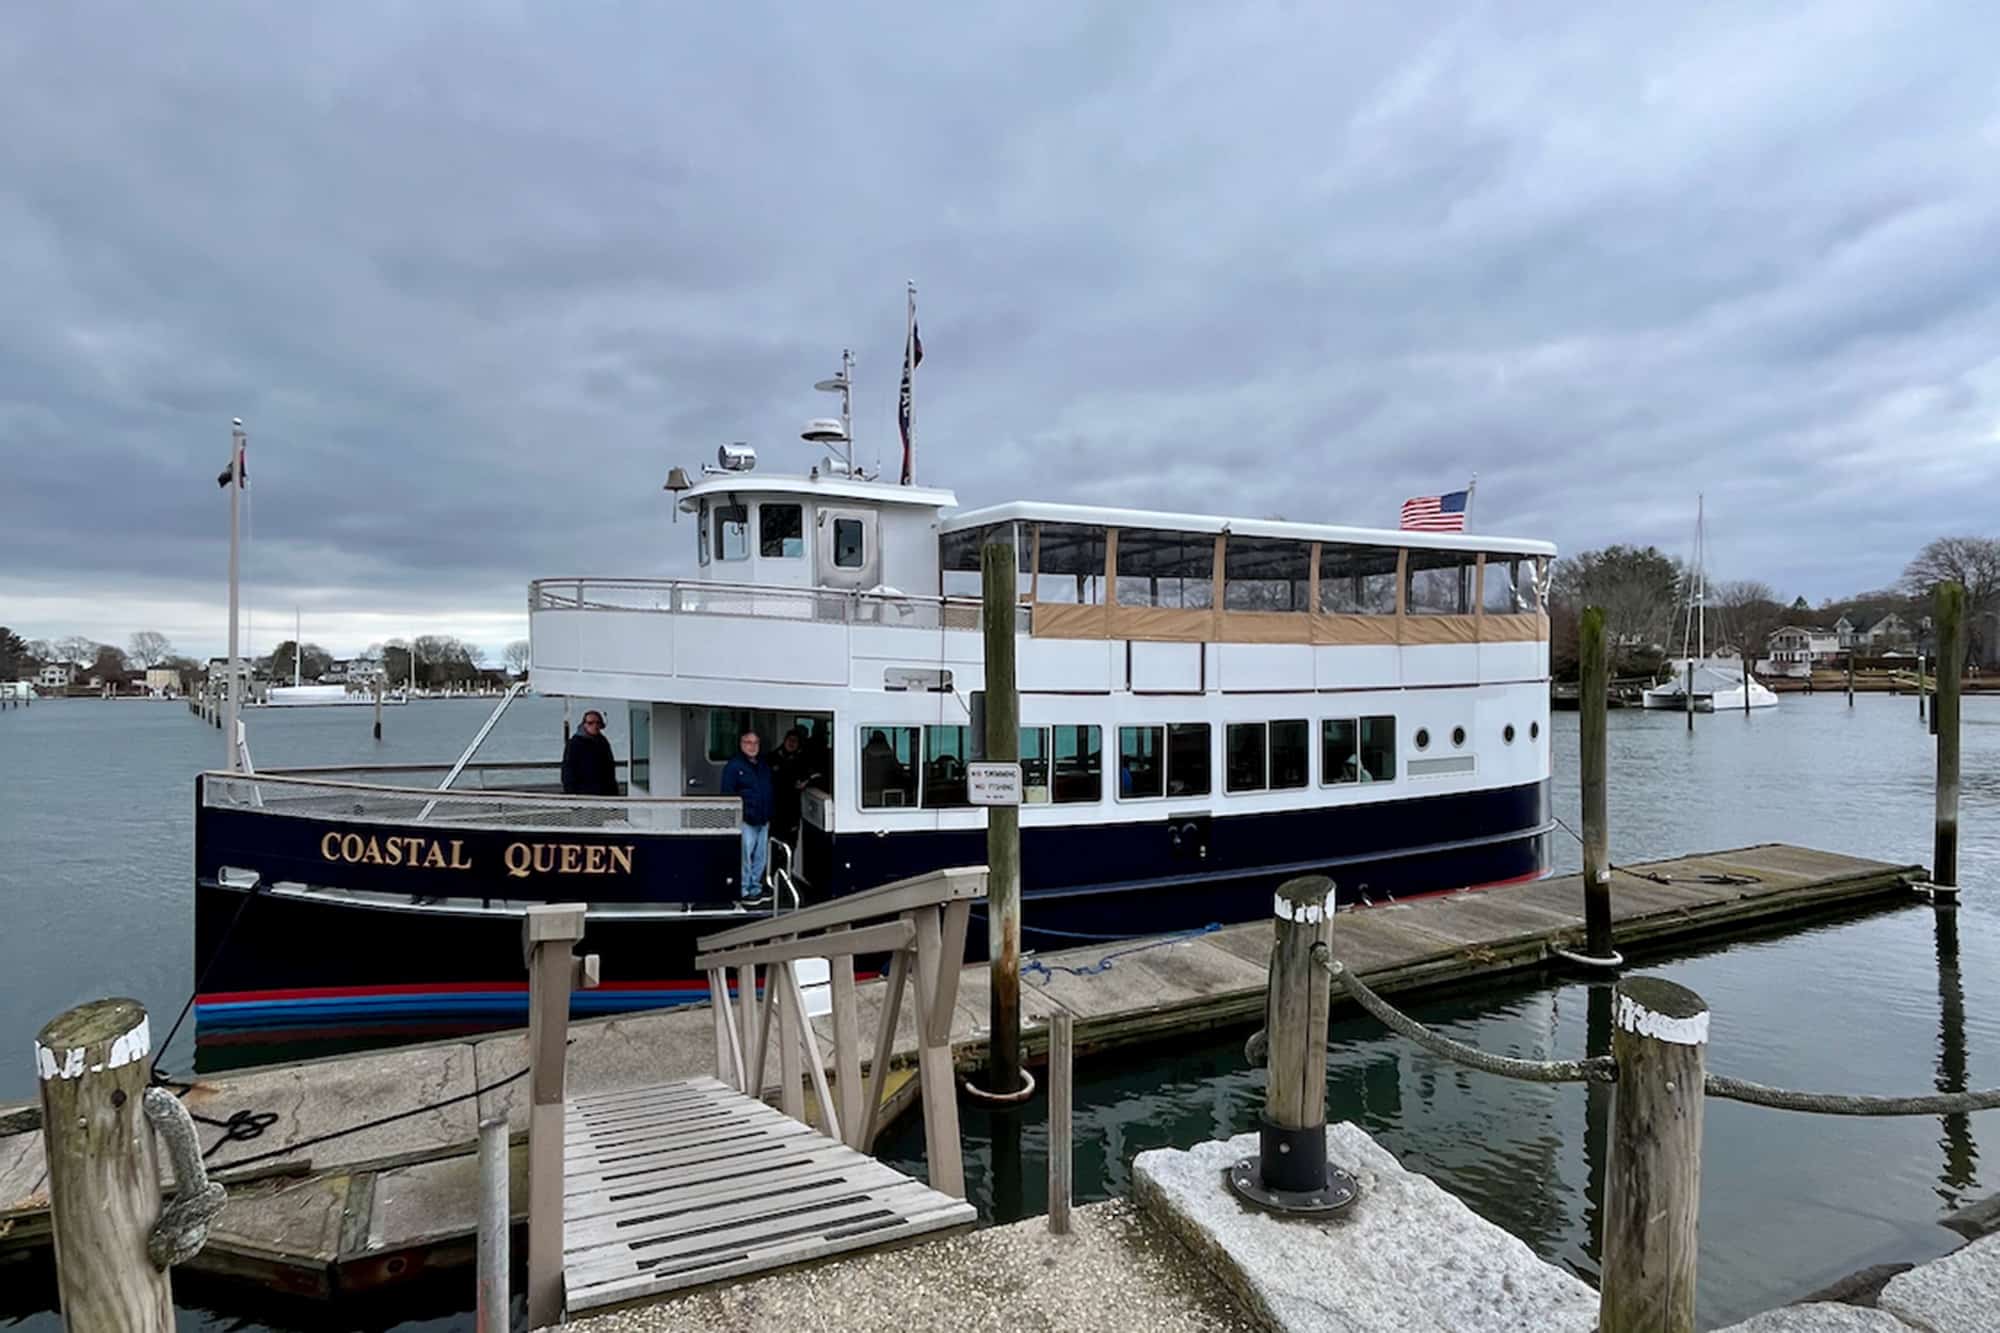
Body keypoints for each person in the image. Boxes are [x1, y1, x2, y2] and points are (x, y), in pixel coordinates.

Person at [720, 728, 774, 900]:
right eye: (748, 742)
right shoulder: (734, 766)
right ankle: (743, 889)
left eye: (755, 743)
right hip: (745, 820)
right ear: (741, 744)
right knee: (745, 858)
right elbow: (727, 794)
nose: (752, 746)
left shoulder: (763, 765)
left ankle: (756, 888)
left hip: (763, 819)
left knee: (760, 857)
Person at [768, 727, 818, 845]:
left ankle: (788, 864)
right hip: (774, 808)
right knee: (774, 842)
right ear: (784, 740)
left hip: (792, 809)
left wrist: (807, 782)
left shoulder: (803, 759)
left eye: (795, 741)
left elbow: (817, 775)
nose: (792, 743)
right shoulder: (772, 757)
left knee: (790, 843)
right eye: (789, 740)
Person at [561, 709, 620, 796]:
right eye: (590, 723)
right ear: (584, 724)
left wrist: (614, 792)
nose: (594, 725)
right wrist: (571, 794)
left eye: (598, 723)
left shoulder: (603, 741)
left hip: (604, 793)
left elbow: (610, 768)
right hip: (582, 794)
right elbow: (568, 771)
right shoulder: (574, 743)